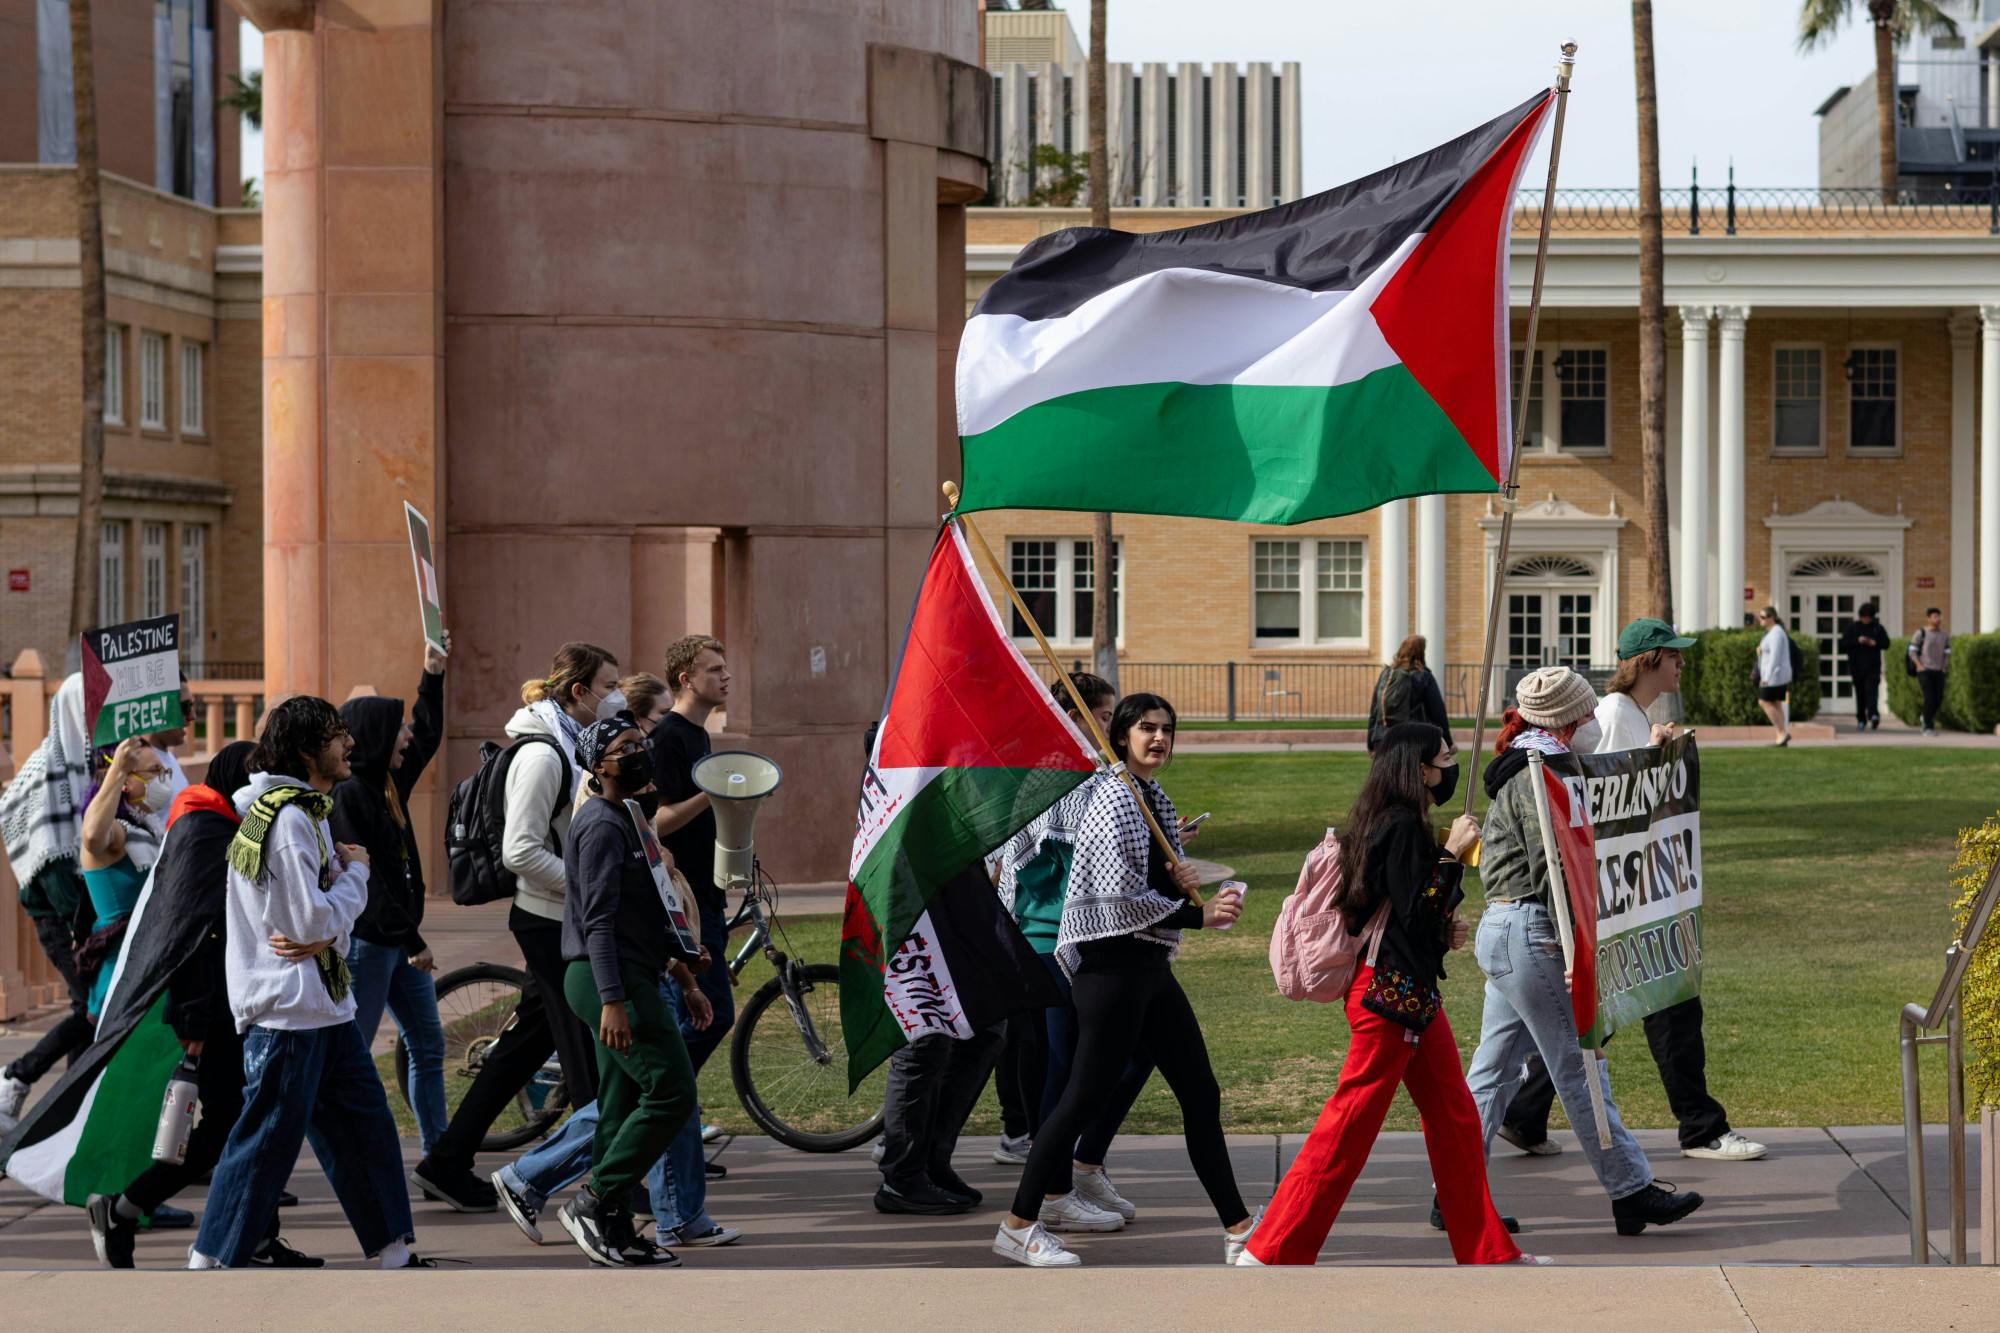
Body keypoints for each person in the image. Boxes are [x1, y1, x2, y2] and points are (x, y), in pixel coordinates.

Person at [1241, 724, 1536, 1267]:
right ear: (1419, 768)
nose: (1448, 768)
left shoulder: (1395, 820)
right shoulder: (1399, 825)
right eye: (1442, 759)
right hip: (1388, 1001)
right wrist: (1450, 855)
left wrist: (1443, 919)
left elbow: (1413, 915)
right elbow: (1417, 907)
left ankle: (1488, 1251)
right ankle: (1273, 1246)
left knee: (1456, 1121)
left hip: (1410, 998)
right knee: (1350, 1124)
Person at [995, 693, 1252, 1269]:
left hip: (1147, 970)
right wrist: (1197, 913)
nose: (1158, 738)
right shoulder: (1113, 796)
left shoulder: (1147, 794)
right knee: (1078, 1101)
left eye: (1166, 729)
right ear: (1120, 736)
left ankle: (1239, 1229)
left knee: (1199, 1092)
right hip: (1110, 972)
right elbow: (1111, 898)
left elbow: (1139, 883)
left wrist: (1174, 876)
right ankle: (1018, 1225)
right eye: (1145, 728)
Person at [1498, 622, 1767, 1169]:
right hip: (1624, 899)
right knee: (1664, 1003)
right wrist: (1650, 752)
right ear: (1647, 661)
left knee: (1608, 1013)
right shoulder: (1617, 715)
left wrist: (1655, 750)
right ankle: (1700, 1128)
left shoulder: (1626, 715)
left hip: (1631, 894)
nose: (1681, 666)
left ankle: (1524, 1114)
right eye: (1673, 657)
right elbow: (1606, 798)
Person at [189, 696, 438, 1269]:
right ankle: (210, 1258)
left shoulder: (298, 810)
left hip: (322, 1002)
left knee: (364, 1125)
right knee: (266, 1139)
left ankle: (394, 1249)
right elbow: (310, 922)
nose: (348, 744)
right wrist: (358, 873)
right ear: (305, 751)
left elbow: (321, 929)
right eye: (335, 735)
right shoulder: (289, 820)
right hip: (288, 1010)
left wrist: (331, 922)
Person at [1463, 667, 1705, 1237]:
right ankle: (1631, 1190)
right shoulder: (1537, 773)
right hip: (1533, 931)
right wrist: (1577, 950)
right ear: (1571, 718)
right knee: (1580, 1064)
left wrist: (1650, 756)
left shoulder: (1540, 763)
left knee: (1493, 1072)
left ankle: (1454, 1191)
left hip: (1506, 929)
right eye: (1588, 712)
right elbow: (1556, 865)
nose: (1596, 720)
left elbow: (1601, 793)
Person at [85, 743, 319, 1269]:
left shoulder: (225, 826)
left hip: (236, 1002)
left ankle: (252, 1233)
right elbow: (190, 935)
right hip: (208, 1011)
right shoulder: (204, 830)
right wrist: (192, 1019)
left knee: (252, 1123)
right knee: (228, 1131)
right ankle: (125, 1209)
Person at [412, 642, 620, 1211]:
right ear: (578, 692)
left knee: (525, 1049)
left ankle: (447, 1160)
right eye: (608, 686)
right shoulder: (544, 756)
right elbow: (521, 851)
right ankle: (607, 1183)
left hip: (558, 918)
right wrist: (587, 887)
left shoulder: (570, 747)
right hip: (549, 921)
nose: (616, 697)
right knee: (586, 1059)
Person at [991, 672, 1149, 1221]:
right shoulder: (1056, 779)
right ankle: (1052, 1197)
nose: (1112, 726)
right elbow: (1059, 863)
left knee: (1129, 1055)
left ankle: (1083, 1167)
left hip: (1088, 941)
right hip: (1050, 941)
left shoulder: (1093, 778)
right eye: (1104, 716)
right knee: (1065, 1071)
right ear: (1075, 718)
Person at [556, 717, 711, 1267]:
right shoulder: (600, 823)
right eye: (625, 749)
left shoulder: (630, 817)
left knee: (621, 1104)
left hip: (632, 972)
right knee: (672, 1091)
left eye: (641, 745)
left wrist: (685, 977)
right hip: (607, 979)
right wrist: (613, 1001)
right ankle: (594, 1201)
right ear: (599, 767)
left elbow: (644, 916)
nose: (640, 754)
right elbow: (598, 922)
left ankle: (614, 1225)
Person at [331, 636, 450, 1156]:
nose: (405, 735)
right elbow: (372, 886)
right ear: (376, 734)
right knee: (352, 1054)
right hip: (373, 945)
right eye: (395, 726)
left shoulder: (386, 783)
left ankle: (438, 1152)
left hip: (399, 943)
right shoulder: (350, 794)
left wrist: (433, 675)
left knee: (428, 1044)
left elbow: (426, 734)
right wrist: (413, 939)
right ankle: (350, 1148)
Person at [0, 675, 97, 1130]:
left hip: (85, 913)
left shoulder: (85, 765)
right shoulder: (49, 772)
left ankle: (70, 1113)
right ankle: (17, 1077)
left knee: (93, 1012)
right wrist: (85, 927)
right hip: (62, 918)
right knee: (90, 1008)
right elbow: (52, 866)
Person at [648, 636, 736, 1075]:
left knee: (702, 1015)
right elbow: (657, 821)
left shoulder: (698, 734)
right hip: (684, 901)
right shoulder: (667, 739)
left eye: (725, 668)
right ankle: (660, 1095)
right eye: (715, 670)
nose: (726, 676)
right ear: (686, 679)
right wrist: (710, 794)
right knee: (712, 1016)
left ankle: (675, 1116)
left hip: (706, 893)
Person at [76, 738, 172, 1019]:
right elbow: (93, 836)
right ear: (127, 783)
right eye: (156, 772)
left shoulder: (149, 828)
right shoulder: (118, 834)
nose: (164, 780)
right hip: (119, 977)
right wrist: (117, 769)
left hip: (146, 971)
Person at [1368, 635, 1453, 752]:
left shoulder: (1387, 674)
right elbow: (1437, 712)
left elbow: (1375, 710)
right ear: (1421, 652)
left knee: (1386, 770)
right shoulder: (1423, 676)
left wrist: (1371, 743)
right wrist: (1448, 742)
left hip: (1383, 737)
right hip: (1412, 738)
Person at [1840, 604, 1891, 732]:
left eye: (1869, 617)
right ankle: (1861, 719)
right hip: (1856, 666)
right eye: (1864, 617)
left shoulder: (1877, 628)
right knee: (1860, 693)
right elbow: (1843, 644)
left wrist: (1875, 643)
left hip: (1873, 666)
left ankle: (1873, 715)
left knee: (1872, 691)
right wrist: (1858, 640)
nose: (1866, 620)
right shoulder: (1852, 628)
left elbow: (1886, 644)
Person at [1753, 606, 1793, 747]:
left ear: (1772, 618)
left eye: (1763, 617)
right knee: (1776, 703)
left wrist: (1766, 677)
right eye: (1760, 617)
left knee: (1763, 702)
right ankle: (1780, 735)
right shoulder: (1773, 632)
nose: (1760, 620)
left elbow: (1775, 657)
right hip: (1776, 676)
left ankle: (1782, 733)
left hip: (1774, 677)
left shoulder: (1776, 633)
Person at [1910, 607, 1950, 737]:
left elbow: (1947, 653)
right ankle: (1927, 725)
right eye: (1934, 617)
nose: (1937, 619)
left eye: (1939, 616)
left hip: (1939, 670)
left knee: (1938, 699)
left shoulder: (1944, 635)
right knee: (1929, 698)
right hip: (1924, 670)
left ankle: (1925, 717)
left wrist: (1944, 667)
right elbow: (1912, 651)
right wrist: (1919, 665)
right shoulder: (1921, 633)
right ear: (1928, 618)